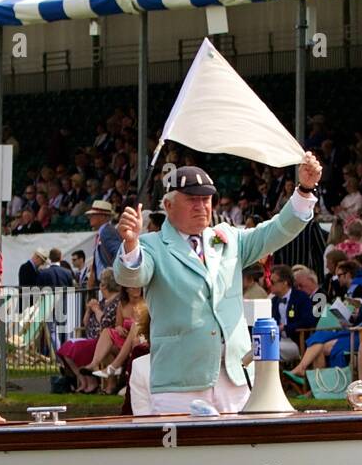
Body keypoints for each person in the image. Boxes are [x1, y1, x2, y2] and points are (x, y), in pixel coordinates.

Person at [114, 155, 322, 414]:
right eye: (192, 199)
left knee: (242, 451)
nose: (201, 206)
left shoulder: (229, 238)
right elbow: (131, 277)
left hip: (235, 377)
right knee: (182, 452)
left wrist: (304, 190)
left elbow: (277, 231)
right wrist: (131, 244)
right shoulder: (151, 245)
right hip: (180, 380)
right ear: (168, 205)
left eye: (206, 199)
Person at [86, 199, 122, 280]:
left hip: (109, 283)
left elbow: (118, 253)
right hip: (104, 282)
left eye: (93, 215)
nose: (90, 218)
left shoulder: (108, 232)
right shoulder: (104, 232)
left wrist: (111, 274)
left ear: (103, 216)